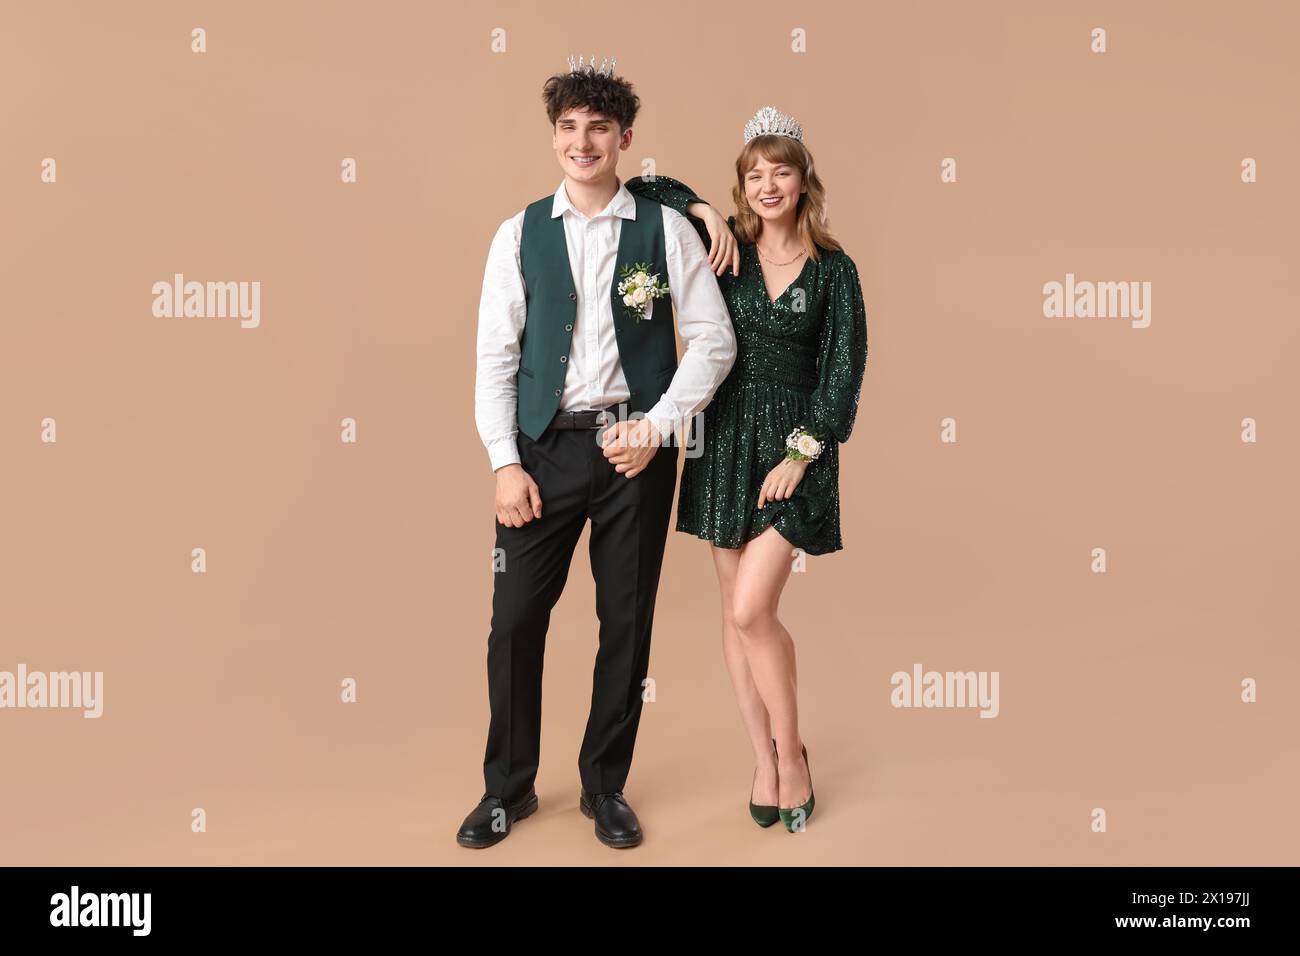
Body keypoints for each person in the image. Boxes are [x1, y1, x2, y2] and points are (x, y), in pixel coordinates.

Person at [459, 56, 736, 849]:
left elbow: (712, 341)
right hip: (541, 452)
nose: (583, 142)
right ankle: (507, 789)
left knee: (626, 624)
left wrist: (659, 427)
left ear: (624, 139)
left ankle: (604, 787)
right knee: (514, 622)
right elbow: (494, 359)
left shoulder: (665, 228)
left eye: (599, 128)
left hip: (635, 456)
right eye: (570, 127)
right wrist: (503, 462)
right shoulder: (517, 235)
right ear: (554, 138)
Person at [625, 105, 868, 831]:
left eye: (780, 171)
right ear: (742, 186)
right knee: (733, 619)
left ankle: (790, 755)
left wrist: (802, 453)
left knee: (749, 610)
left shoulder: (834, 271)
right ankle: (760, 758)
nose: (767, 185)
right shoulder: (721, 249)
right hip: (722, 440)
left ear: (803, 181)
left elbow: (844, 371)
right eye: (753, 174)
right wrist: (700, 207)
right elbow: (646, 188)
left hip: (792, 448)